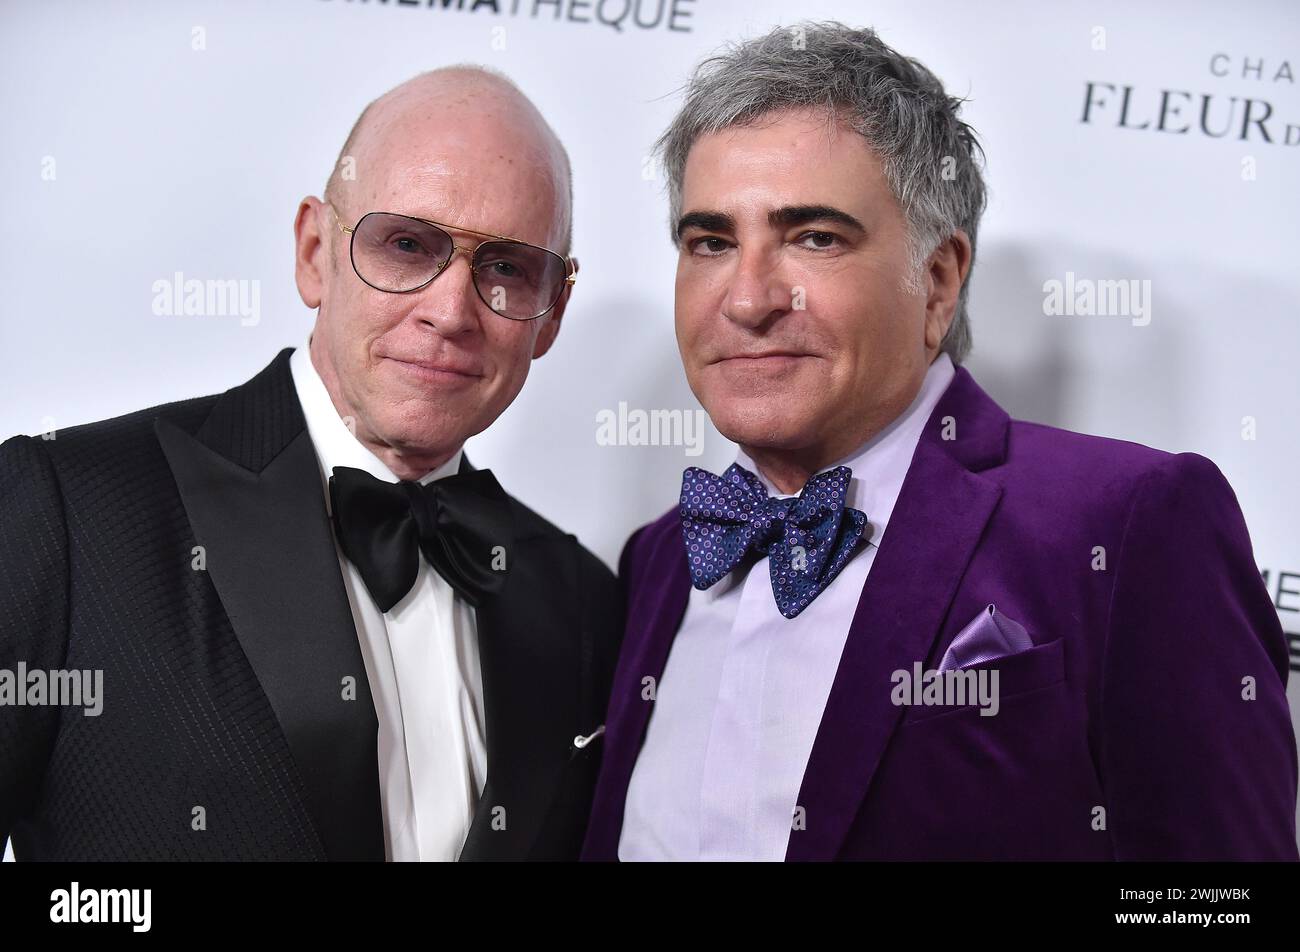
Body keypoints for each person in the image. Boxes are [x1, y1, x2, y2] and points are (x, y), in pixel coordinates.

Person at [582, 22, 1298, 861]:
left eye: (814, 237)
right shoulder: (659, 561)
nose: (747, 299)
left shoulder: (1127, 525)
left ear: (939, 280)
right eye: (710, 242)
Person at [0, 66, 620, 861]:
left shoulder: (582, 600)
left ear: (552, 312)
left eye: (505, 268)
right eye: (407, 244)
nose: (449, 311)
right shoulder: (65, 510)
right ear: (314, 252)